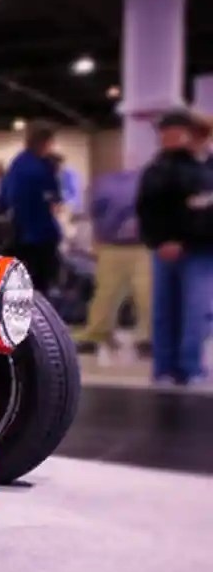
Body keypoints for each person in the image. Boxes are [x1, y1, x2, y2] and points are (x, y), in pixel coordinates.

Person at [136, 110, 213, 385]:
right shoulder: (160, 168)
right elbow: (150, 209)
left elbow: (199, 209)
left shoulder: (206, 167)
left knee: (195, 312)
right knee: (165, 311)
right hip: (168, 249)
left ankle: (190, 367)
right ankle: (165, 368)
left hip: (201, 250)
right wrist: (162, 240)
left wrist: (187, 235)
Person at [73, 169, 150, 357]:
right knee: (146, 293)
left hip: (113, 244)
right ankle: (147, 337)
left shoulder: (104, 183)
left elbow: (94, 211)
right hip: (140, 244)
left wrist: (98, 236)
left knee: (107, 294)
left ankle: (97, 333)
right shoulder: (149, 178)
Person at [0, 122, 63, 293]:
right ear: (46, 142)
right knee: (42, 285)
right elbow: (54, 199)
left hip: (19, 236)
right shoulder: (42, 167)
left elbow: (3, 199)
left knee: (22, 285)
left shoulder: (17, 164)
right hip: (40, 235)